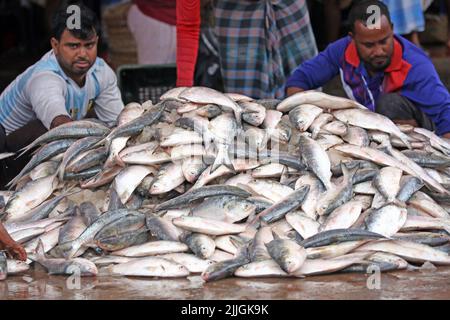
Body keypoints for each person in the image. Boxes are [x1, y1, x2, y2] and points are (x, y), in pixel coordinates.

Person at [0, 2, 124, 187]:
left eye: (88, 45)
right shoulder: (44, 77)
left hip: (45, 146)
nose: (82, 54)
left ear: (97, 41)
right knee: (49, 131)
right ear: (55, 45)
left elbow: (118, 122)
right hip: (7, 150)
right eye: (73, 46)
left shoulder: (102, 72)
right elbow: (59, 124)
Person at [286, 0, 450, 138]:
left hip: (420, 130)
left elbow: (446, 115)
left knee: (388, 104)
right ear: (353, 39)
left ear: (392, 30)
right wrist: (309, 118)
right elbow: (298, 81)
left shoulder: (416, 65)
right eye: (369, 45)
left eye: (384, 41)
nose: (379, 51)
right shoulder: (341, 50)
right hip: (367, 127)